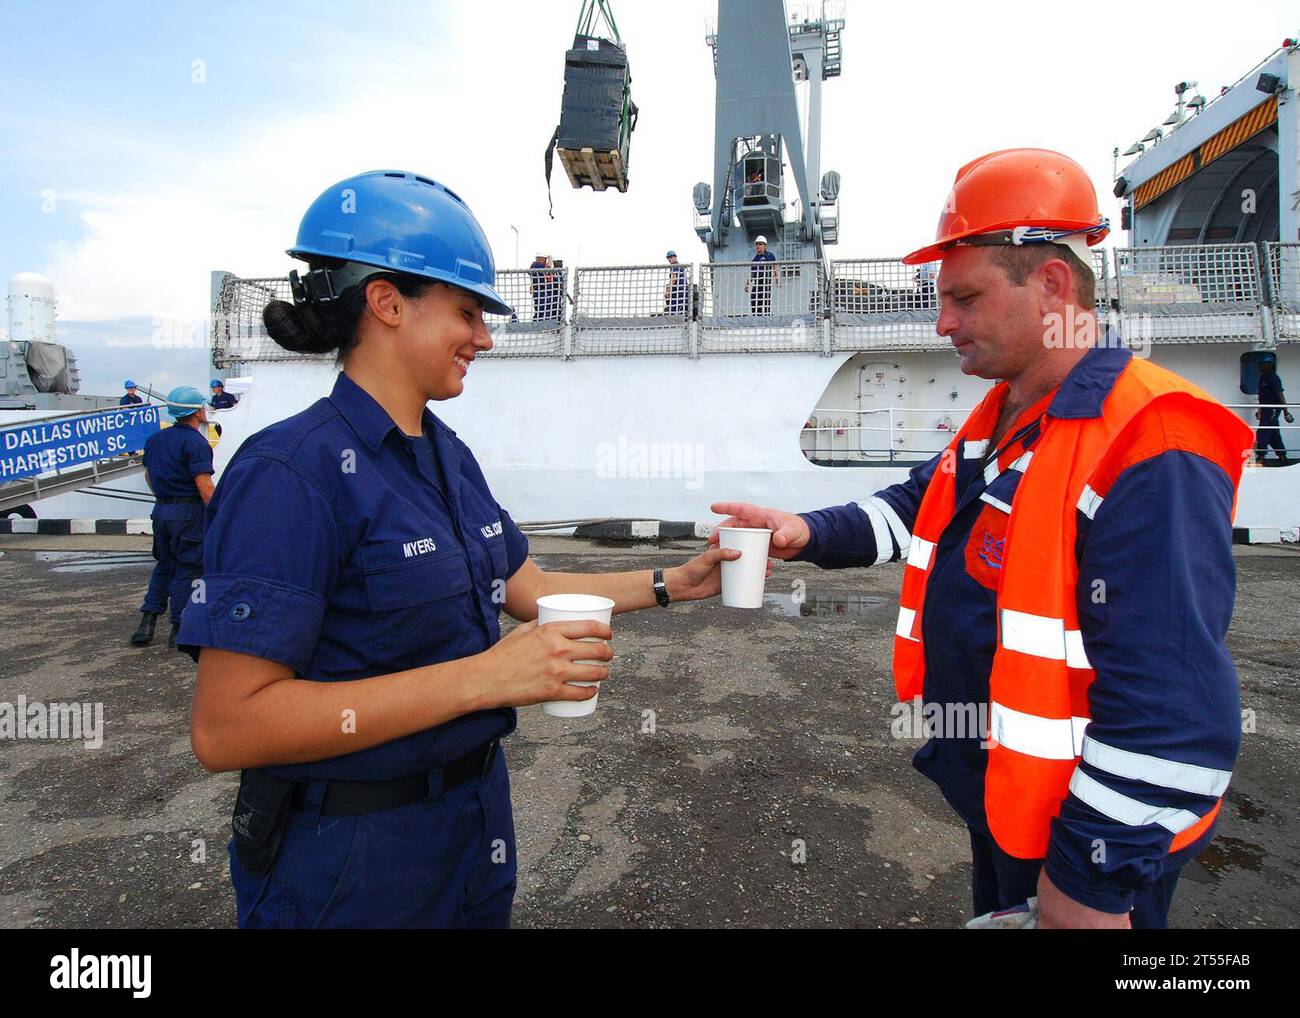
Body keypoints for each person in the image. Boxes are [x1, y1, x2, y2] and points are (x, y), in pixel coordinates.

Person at [178, 170, 742, 929]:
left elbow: (527, 586)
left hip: (473, 823)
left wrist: (677, 581)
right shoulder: (290, 473)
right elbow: (228, 728)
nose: (483, 336)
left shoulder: (447, 455)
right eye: (468, 311)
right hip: (349, 857)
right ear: (386, 302)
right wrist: (485, 678)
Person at [712, 148, 1254, 929]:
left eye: (965, 297)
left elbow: (1173, 707)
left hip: (1080, 836)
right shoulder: (1003, 419)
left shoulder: (1150, 439)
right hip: (1009, 802)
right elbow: (915, 507)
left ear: (1053, 287)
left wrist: (1090, 884)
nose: (943, 323)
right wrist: (805, 532)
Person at [130, 385, 214, 649]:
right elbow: (203, 486)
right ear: (197, 412)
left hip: (161, 510)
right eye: (203, 406)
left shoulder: (156, 439)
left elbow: (148, 475)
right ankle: (179, 628)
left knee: (165, 564)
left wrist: (164, 497)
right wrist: (218, 514)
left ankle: (147, 622)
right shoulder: (196, 443)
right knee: (188, 568)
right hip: (187, 513)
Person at [1254, 358, 1292, 465]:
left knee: (1263, 432)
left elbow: (1280, 394)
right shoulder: (1262, 378)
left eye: (1262, 364)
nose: (1259, 367)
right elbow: (1261, 396)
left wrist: (1286, 412)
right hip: (1265, 409)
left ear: (1269, 365)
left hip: (1272, 409)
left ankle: (1261, 456)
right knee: (1273, 434)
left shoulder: (1273, 378)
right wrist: (1259, 410)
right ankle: (1282, 456)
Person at [745, 235, 777, 316]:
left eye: (760, 244)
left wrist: (777, 280)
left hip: (766, 283)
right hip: (757, 283)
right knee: (754, 300)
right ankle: (757, 318)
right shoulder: (755, 259)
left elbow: (775, 267)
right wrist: (747, 284)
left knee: (766, 301)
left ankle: (767, 317)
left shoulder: (769, 255)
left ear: (765, 246)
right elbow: (752, 273)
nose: (758, 246)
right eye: (757, 244)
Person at [664, 250, 689, 316]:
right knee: (681, 310)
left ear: (675, 257)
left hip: (678, 292)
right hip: (683, 292)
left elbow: (674, 278)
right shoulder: (680, 266)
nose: (670, 259)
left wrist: (668, 291)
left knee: (673, 312)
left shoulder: (674, 266)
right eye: (668, 257)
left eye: (671, 257)